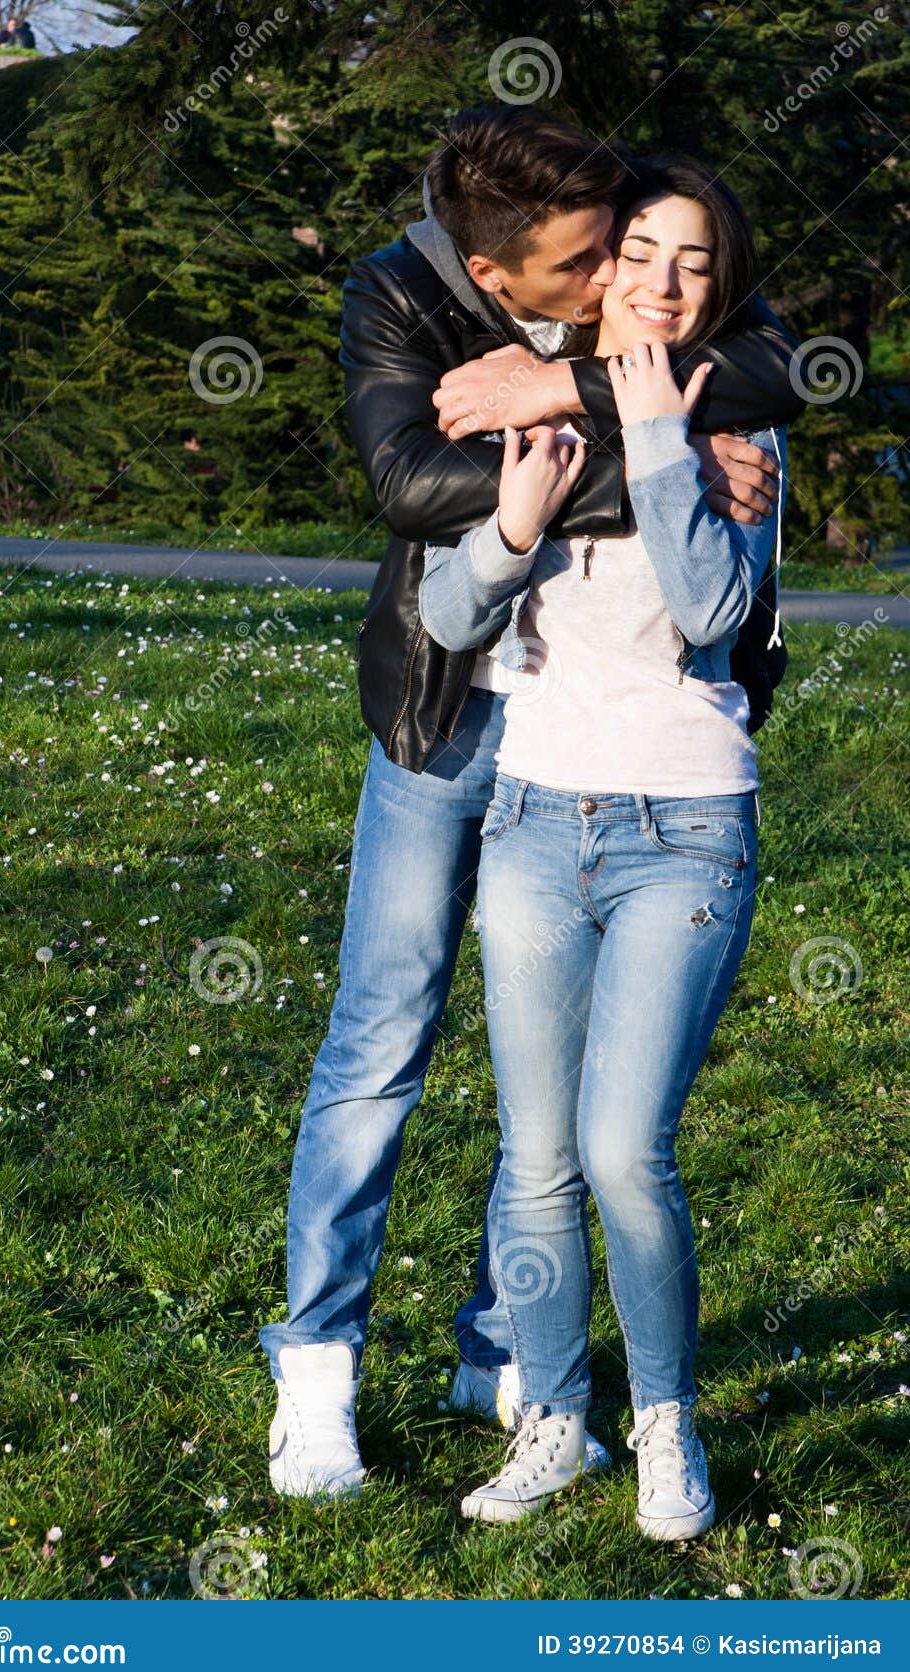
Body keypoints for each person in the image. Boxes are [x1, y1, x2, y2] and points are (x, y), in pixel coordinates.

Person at [260, 105, 803, 1502]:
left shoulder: (629, 267)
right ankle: (317, 1369)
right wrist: (640, 449)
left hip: (611, 751)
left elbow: (761, 354)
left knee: (549, 1106)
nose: (616, 277)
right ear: (500, 277)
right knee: (381, 1037)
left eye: (625, 247)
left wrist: (566, 392)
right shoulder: (395, 293)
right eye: (585, 263)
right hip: (450, 711)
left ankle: (515, 1352)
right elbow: (406, 479)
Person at [421, 155, 785, 1540]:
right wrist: (517, 520)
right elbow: (452, 616)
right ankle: (552, 1417)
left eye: (694, 262)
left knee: (626, 1152)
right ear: (604, 263)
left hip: (683, 827)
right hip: (531, 818)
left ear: (720, 288)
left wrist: (658, 441)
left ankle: (662, 1421)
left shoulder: (738, 421)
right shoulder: (531, 389)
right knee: (534, 1160)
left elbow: (708, 611)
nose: (662, 281)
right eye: (641, 250)